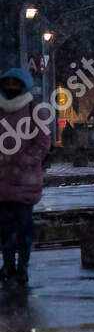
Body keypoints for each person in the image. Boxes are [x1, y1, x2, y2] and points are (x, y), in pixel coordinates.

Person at [0, 68, 55, 288]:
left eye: (15, 84)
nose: (11, 88)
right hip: (3, 182)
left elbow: (43, 142)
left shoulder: (34, 109)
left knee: (22, 227)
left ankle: (21, 266)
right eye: (8, 84)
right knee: (4, 228)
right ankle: (8, 265)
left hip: (24, 182)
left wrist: (24, 161)